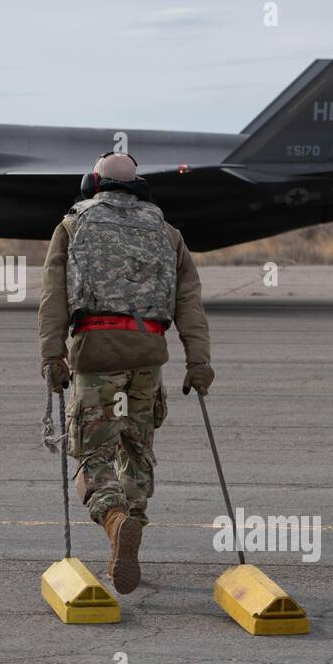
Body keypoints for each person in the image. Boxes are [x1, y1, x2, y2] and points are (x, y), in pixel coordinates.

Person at [38, 152, 213, 594]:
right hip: (147, 358)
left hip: (97, 355)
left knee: (93, 455)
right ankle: (127, 538)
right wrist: (199, 362)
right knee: (136, 451)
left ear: (92, 182)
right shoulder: (167, 233)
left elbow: (54, 297)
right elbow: (190, 302)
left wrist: (52, 356)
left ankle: (115, 523)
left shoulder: (73, 225)